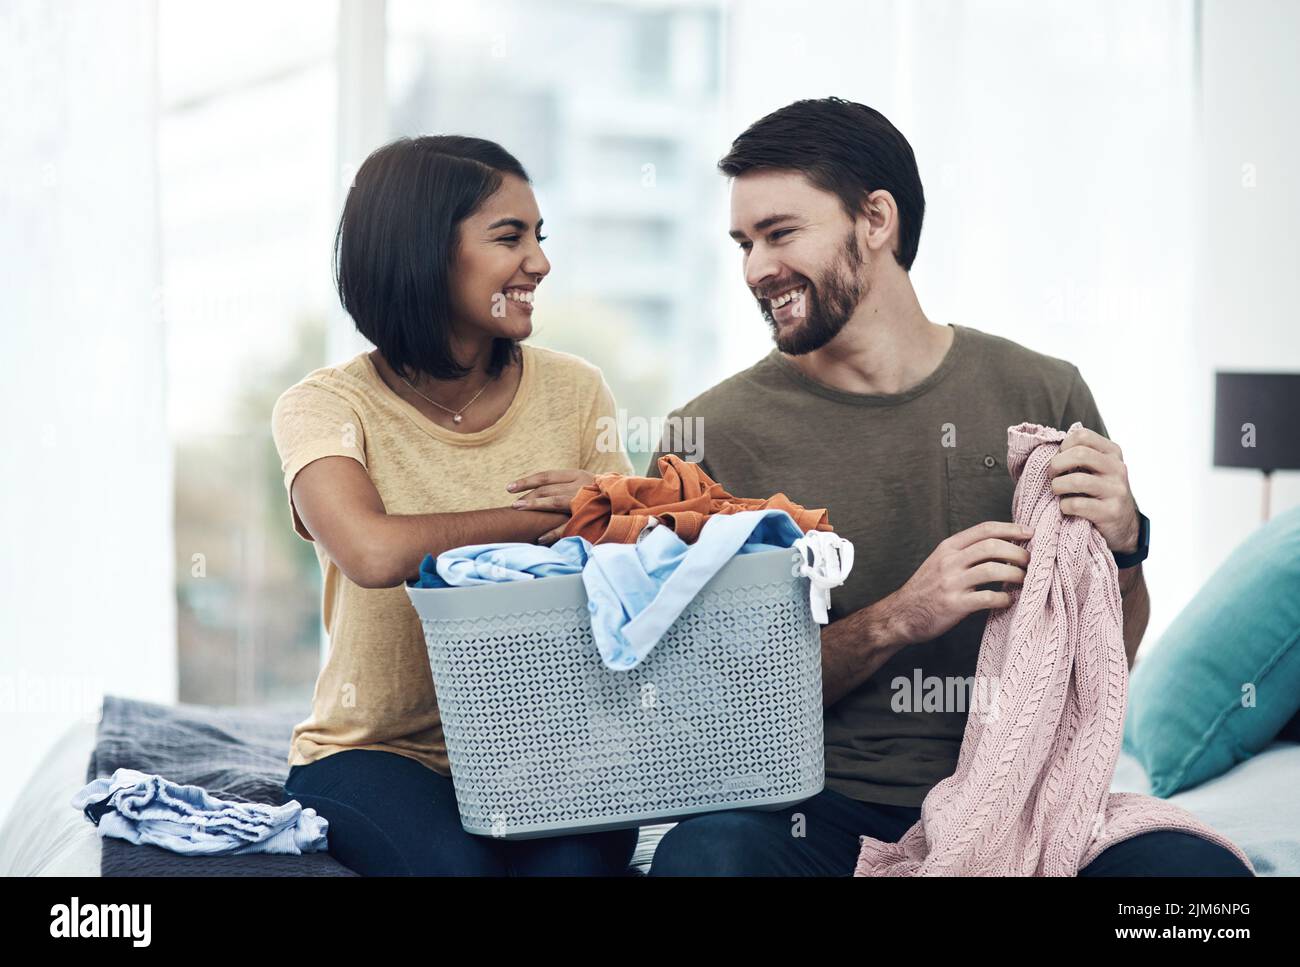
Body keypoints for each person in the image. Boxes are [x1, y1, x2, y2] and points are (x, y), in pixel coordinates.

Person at [645, 97, 1250, 877]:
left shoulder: (1044, 392)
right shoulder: (712, 436)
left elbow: (1105, 657)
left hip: (1025, 794)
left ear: (876, 219)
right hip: (817, 807)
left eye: (780, 233)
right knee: (705, 859)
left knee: (1198, 881)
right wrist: (896, 617)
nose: (756, 268)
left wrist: (1128, 546)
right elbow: (699, 703)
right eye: (744, 243)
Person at [271, 135, 638, 875]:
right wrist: (546, 519)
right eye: (510, 237)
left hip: (550, 747)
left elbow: (629, 551)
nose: (539, 262)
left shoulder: (576, 391)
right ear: (425, 250)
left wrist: (612, 514)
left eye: (539, 237)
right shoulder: (324, 406)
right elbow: (372, 551)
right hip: (374, 752)